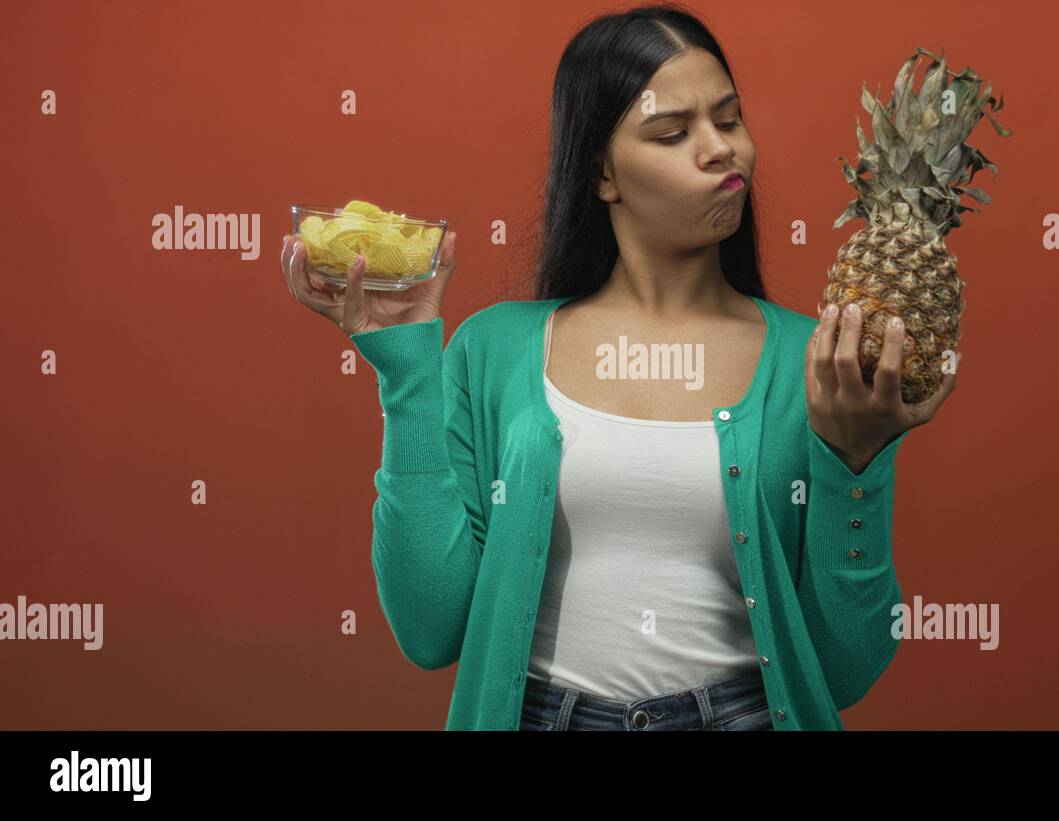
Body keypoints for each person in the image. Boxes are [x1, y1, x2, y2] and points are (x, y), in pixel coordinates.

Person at [280, 3, 959, 731]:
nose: (718, 149)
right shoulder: (493, 350)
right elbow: (429, 628)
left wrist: (855, 465)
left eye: (728, 121)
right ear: (602, 173)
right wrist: (408, 371)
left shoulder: (816, 360)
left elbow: (846, 668)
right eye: (672, 132)